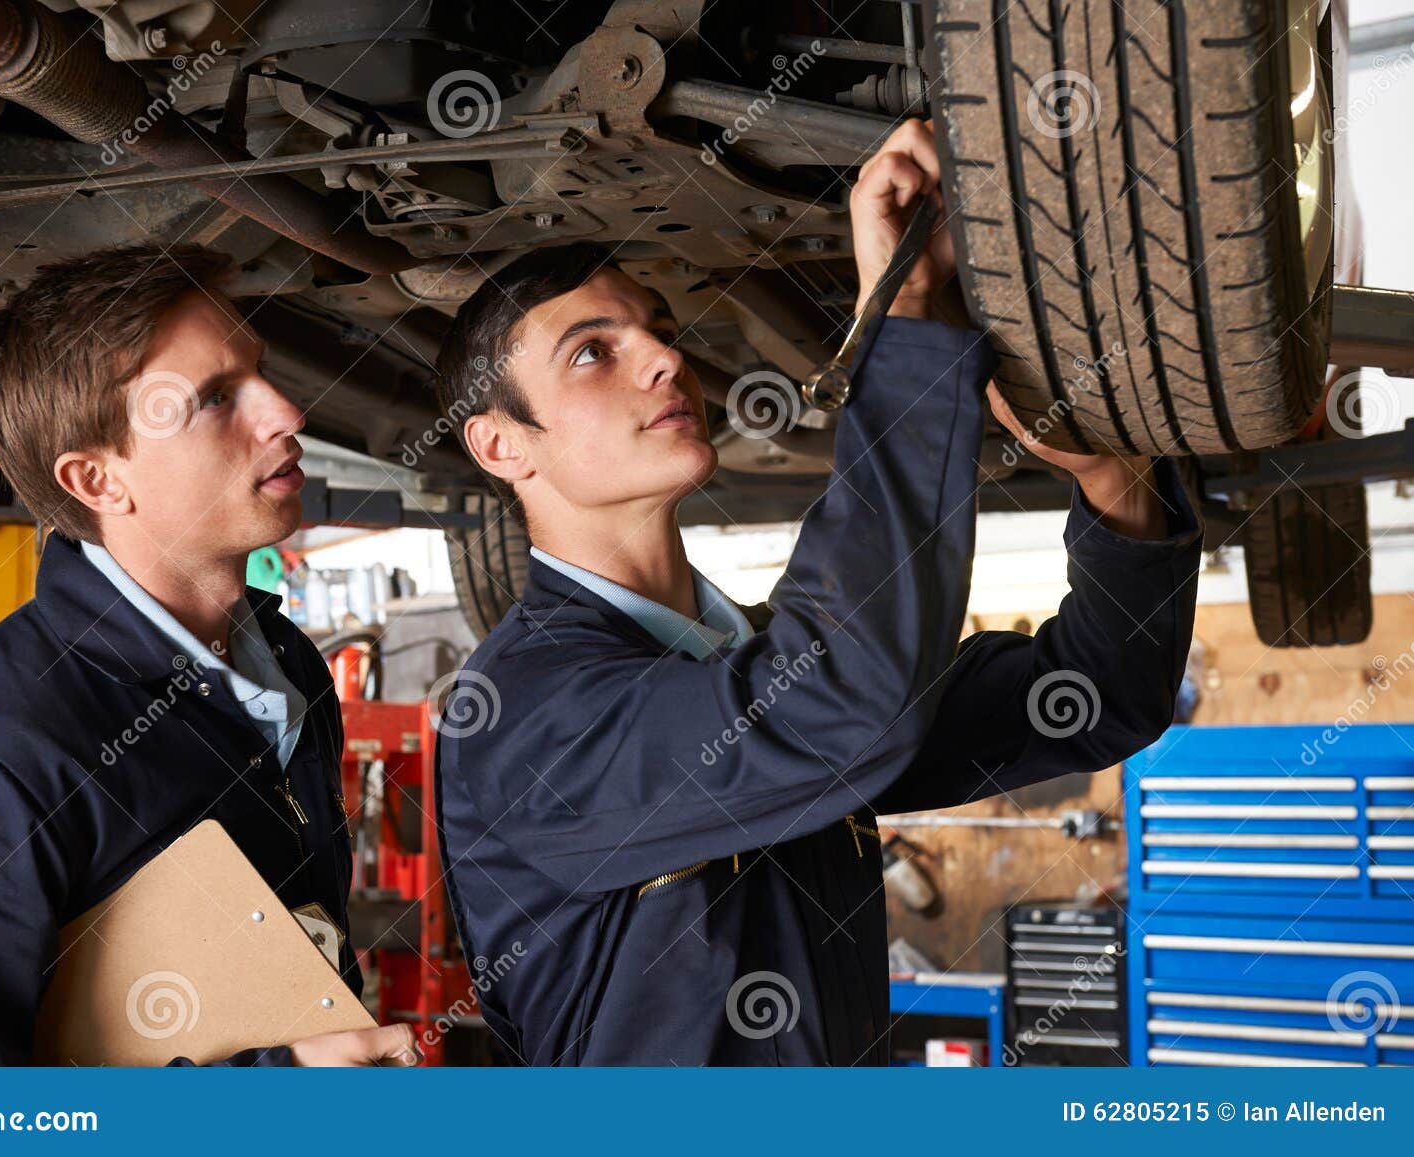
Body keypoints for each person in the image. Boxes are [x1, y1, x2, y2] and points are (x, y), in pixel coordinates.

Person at [432, 119, 1203, 1065]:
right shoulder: (524, 720)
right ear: (502, 444)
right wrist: (907, 319)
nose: (665, 359)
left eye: (659, 331)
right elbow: (842, 695)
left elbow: (1094, 698)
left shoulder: (749, 678)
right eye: (594, 351)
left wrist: (1116, 488)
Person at [0, 246, 415, 1067]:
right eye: (213, 399)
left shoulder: (289, 667)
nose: (287, 413)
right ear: (97, 480)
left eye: (261, 372)